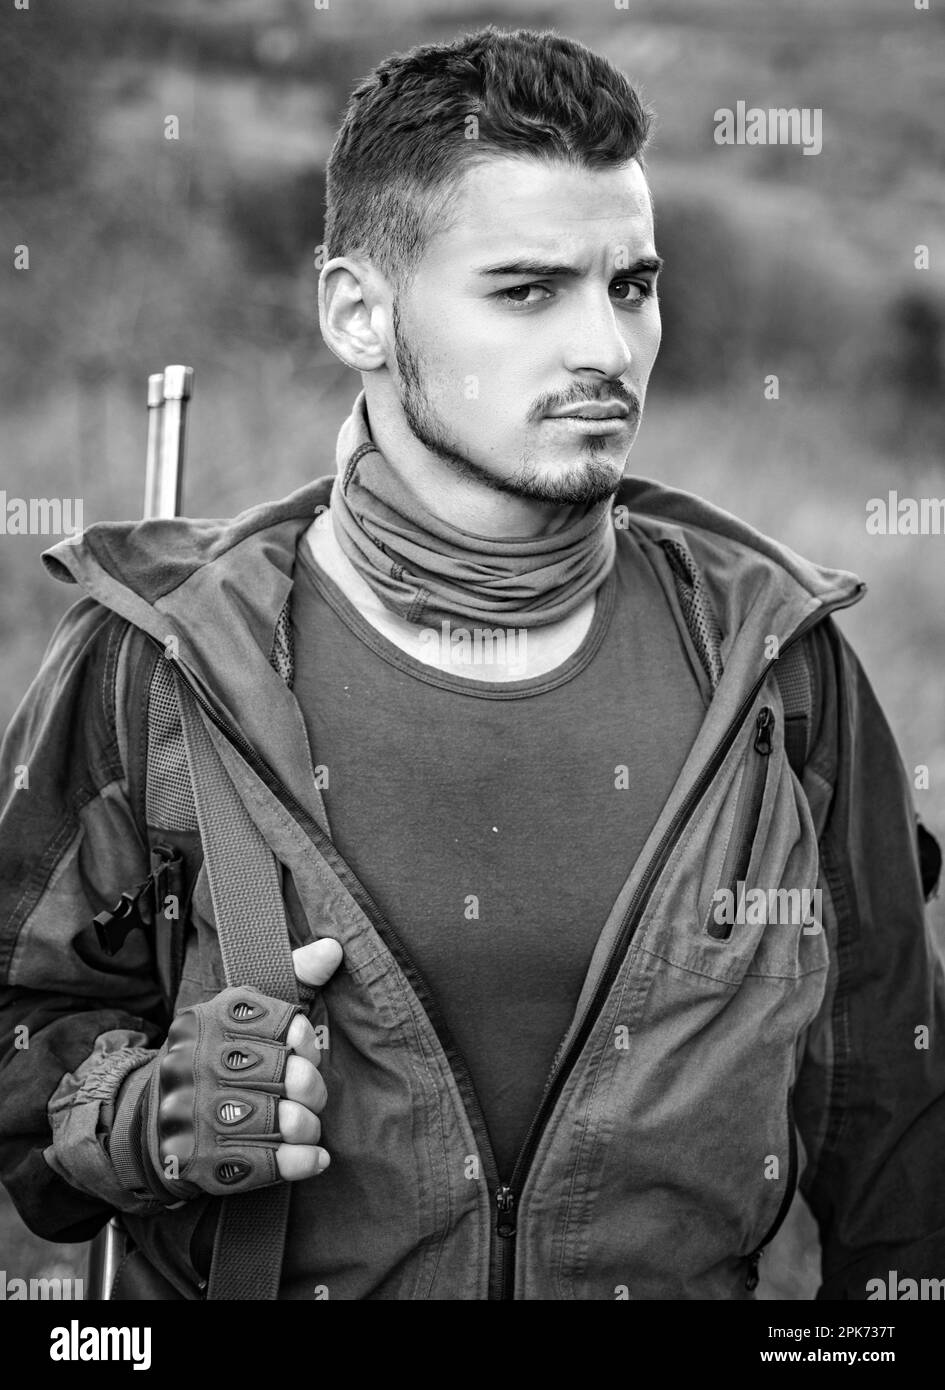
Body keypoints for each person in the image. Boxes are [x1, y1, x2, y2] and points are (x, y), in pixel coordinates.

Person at [1, 25, 943, 1302]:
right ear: (358, 312)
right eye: (528, 290)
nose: (607, 351)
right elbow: (23, 1044)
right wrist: (140, 1112)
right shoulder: (157, 660)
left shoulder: (778, 666)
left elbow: (897, 1131)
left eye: (631, 285)